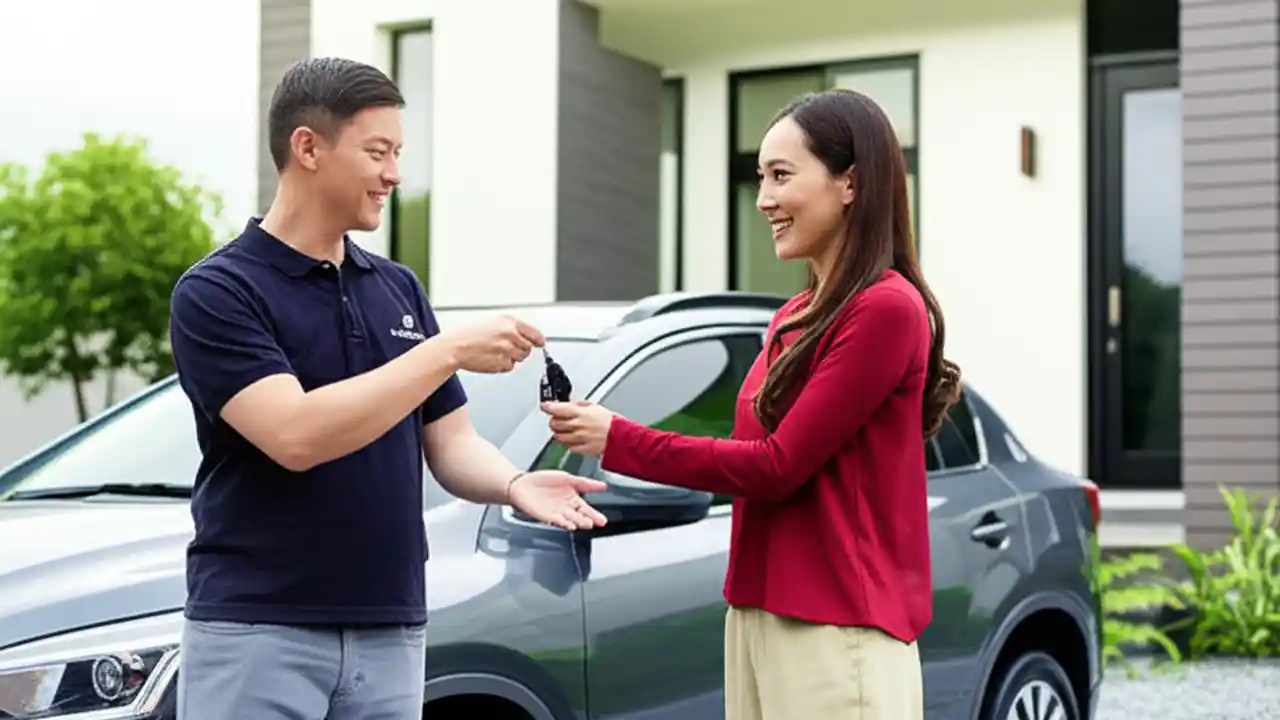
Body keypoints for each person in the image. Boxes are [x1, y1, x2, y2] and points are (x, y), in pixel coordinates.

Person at [168, 57, 607, 720]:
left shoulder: (398, 288)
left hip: (390, 629)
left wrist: (514, 484)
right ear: (308, 147)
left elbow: (451, 440)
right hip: (258, 629)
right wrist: (449, 349)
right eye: (378, 152)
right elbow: (295, 434)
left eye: (399, 153)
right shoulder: (219, 291)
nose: (395, 174)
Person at [541, 88, 961, 720]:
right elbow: (748, 456)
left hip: (837, 627)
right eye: (760, 177)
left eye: (782, 176)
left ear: (850, 183)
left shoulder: (885, 308)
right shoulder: (795, 315)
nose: (763, 199)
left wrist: (619, 439)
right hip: (759, 613)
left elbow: (776, 465)